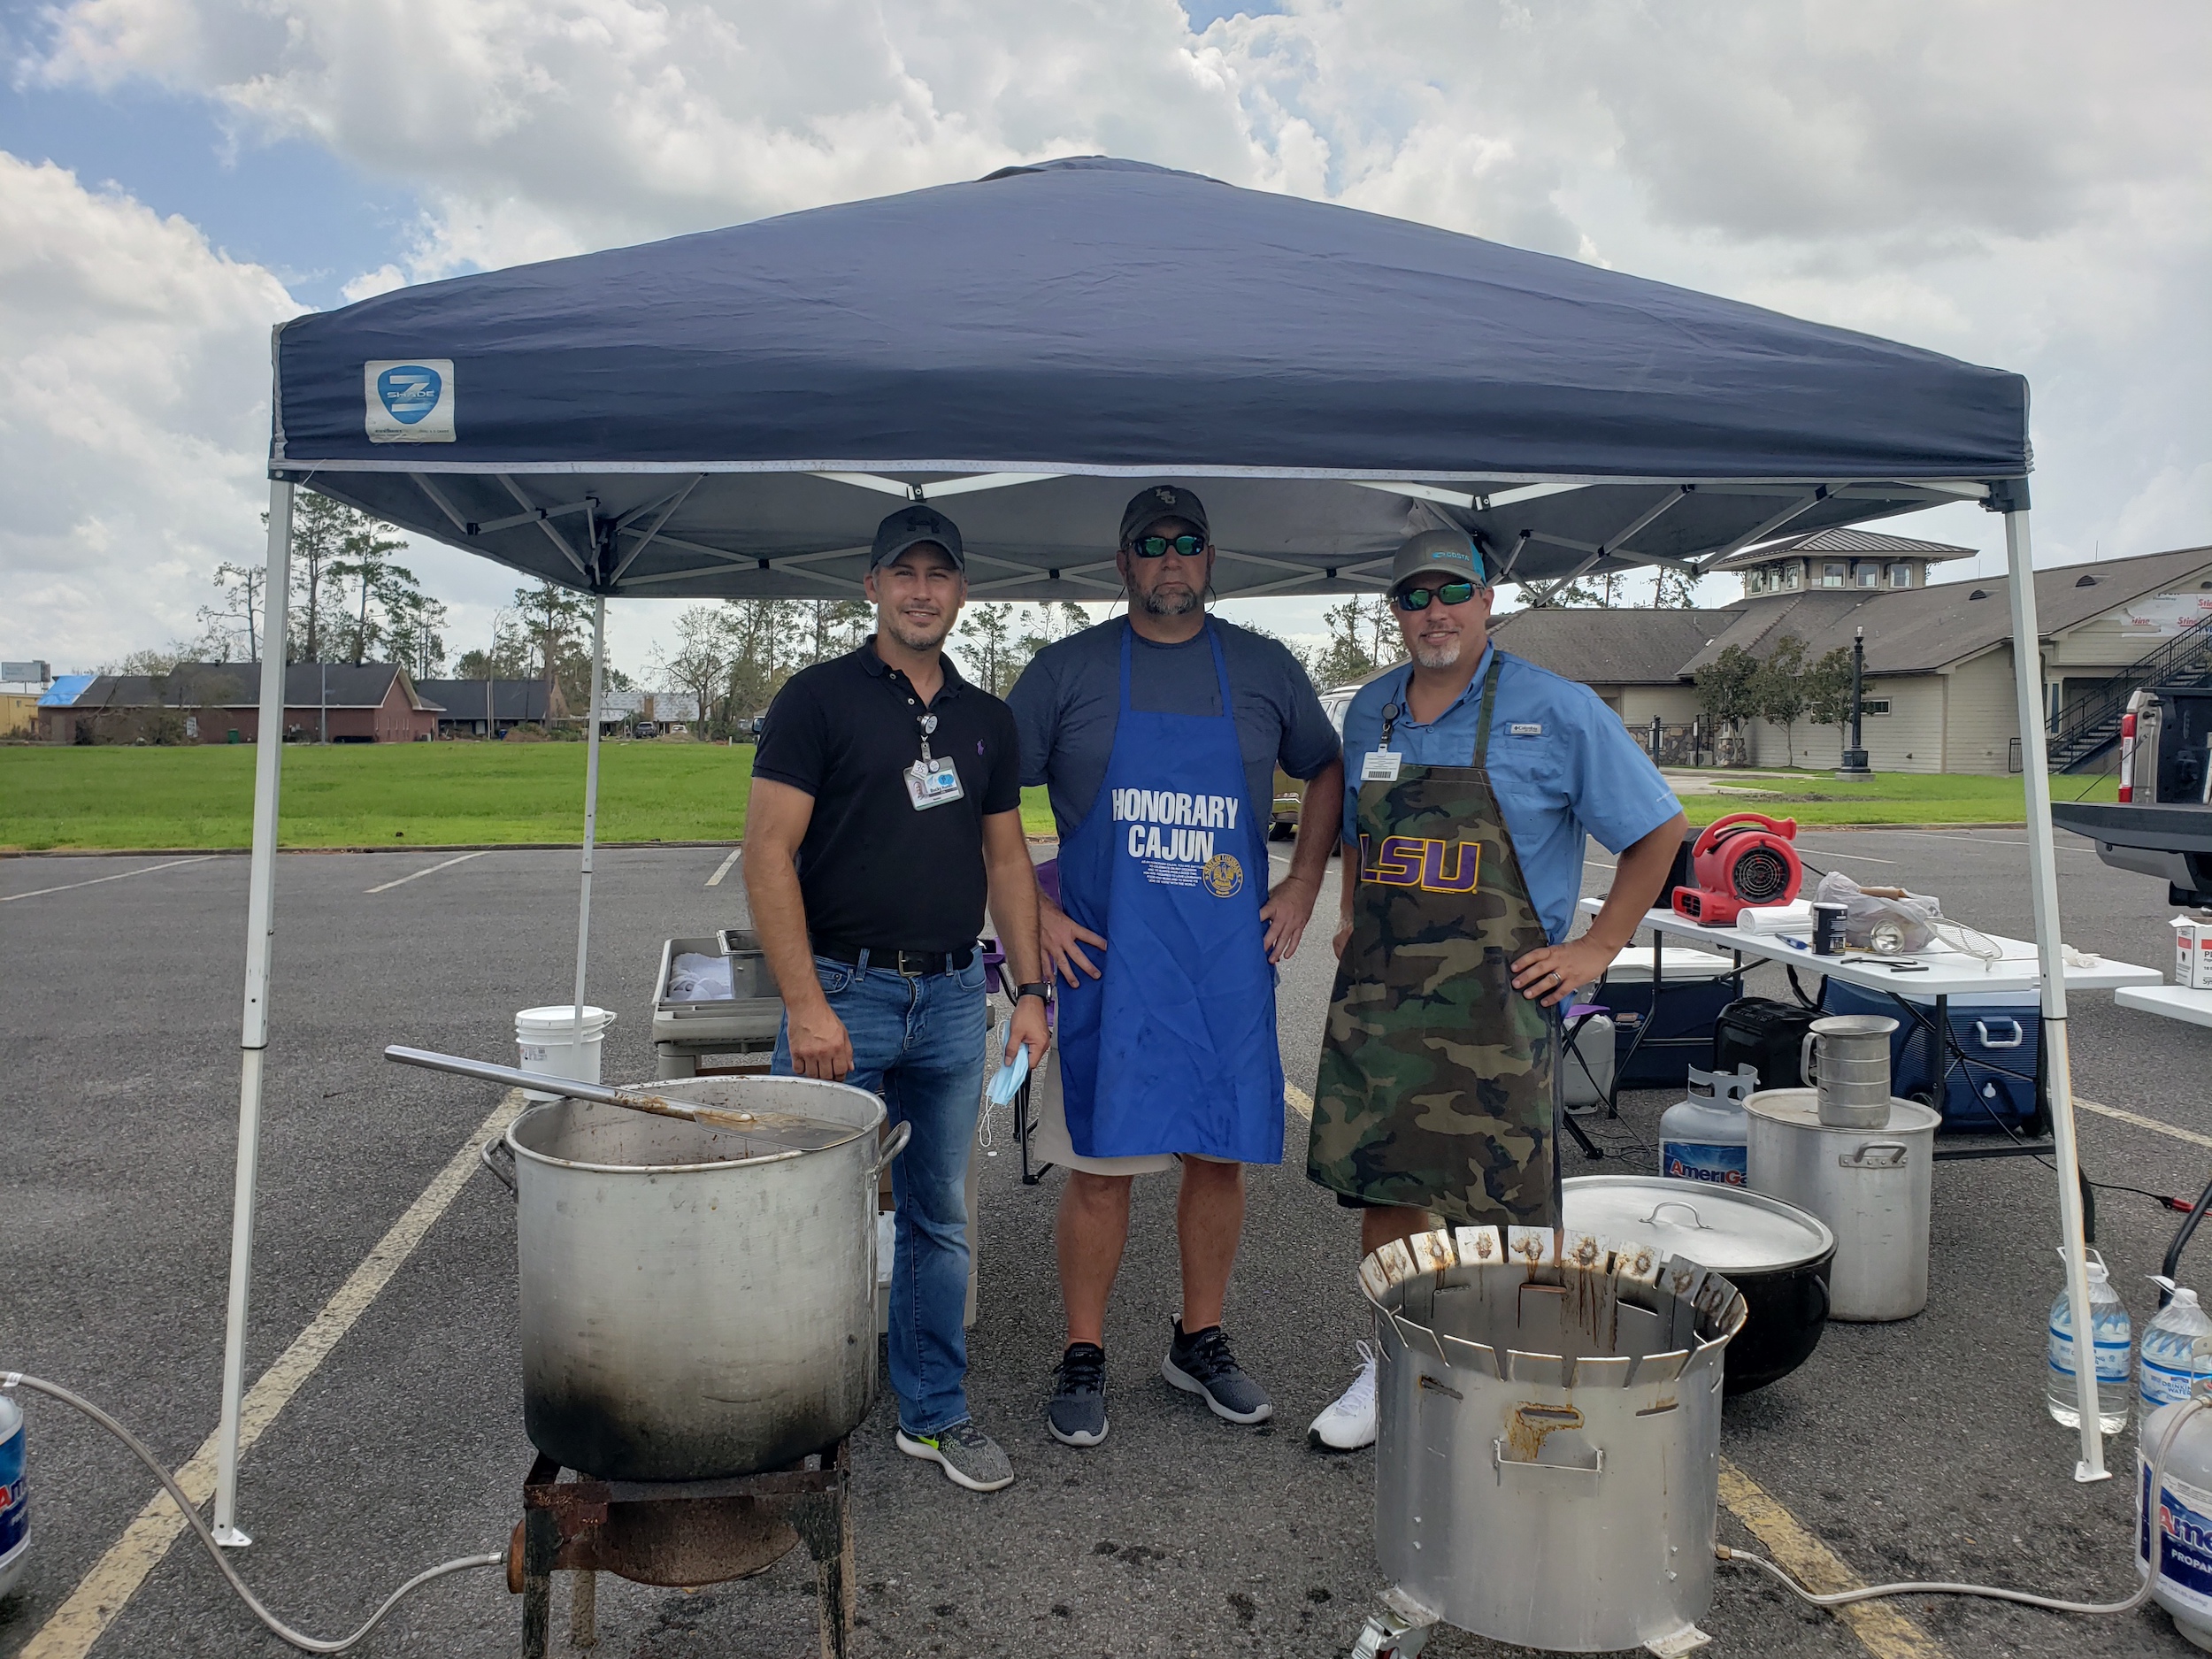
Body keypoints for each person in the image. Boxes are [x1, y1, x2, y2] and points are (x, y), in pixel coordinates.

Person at [1304, 528, 1687, 1452]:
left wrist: (1599, 943)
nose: (1433, 611)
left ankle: (1494, 1386)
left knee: (1500, 1207)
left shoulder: (1556, 710)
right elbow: (1362, 828)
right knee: (1388, 1189)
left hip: (1498, 1000)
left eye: (1452, 592)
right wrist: (1354, 909)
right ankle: (1393, 1368)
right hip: (1385, 1000)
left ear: (1487, 602)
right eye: (1412, 595)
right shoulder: (1371, 714)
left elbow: (1659, 829)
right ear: (1391, 609)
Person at [1009, 484, 1345, 1448]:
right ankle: (1083, 1350)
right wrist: (1035, 909)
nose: (1169, 559)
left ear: (1210, 559)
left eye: (1185, 543)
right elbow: (980, 793)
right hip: (1106, 968)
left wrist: (1302, 881)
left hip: (1220, 968)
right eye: (1148, 545)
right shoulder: (1065, 673)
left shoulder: (1262, 669)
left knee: (1216, 1154)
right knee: (1101, 1170)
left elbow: (1324, 768)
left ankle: (1197, 1338)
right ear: (1120, 564)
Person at [744, 503, 1051, 1494]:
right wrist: (805, 1005)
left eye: (940, 575)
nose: (923, 591)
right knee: (804, 1215)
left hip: (957, 998)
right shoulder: (816, 701)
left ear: (961, 592)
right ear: (871, 586)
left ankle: (933, 1413)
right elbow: (766, 854)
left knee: (937, 1218)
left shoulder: (984, 720)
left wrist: (1031, 989)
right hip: (842, 991)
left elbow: (1007, 860)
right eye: (903, 573)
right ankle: (786, 1412)